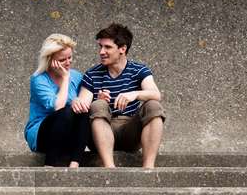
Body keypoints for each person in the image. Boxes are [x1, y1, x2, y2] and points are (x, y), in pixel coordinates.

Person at [82, 24, 166, 169]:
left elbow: (156, 94)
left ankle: (148, 169)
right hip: (101, 130)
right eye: (100, 47)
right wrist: (98, 99)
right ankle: (109, 168)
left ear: (122, 49)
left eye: (107, 47)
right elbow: (82, 104)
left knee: (153, 105)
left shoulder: (139, 70)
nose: (101, 52)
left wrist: (135, 94)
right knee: (97, 105)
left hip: (130, 133)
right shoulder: (92, 74)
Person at [24, 34, 93, 168]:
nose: (68, 62)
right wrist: (65, 79)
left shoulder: (77, 76)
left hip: (68, 135)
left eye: (70, 57)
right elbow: (58, 107)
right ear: (50, 60)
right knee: (66, 111)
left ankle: (75, 163)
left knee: (83, 109)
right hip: (42, 135)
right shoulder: (38, 79)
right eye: (62, 60)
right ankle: (49, 164)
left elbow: (84, 100)